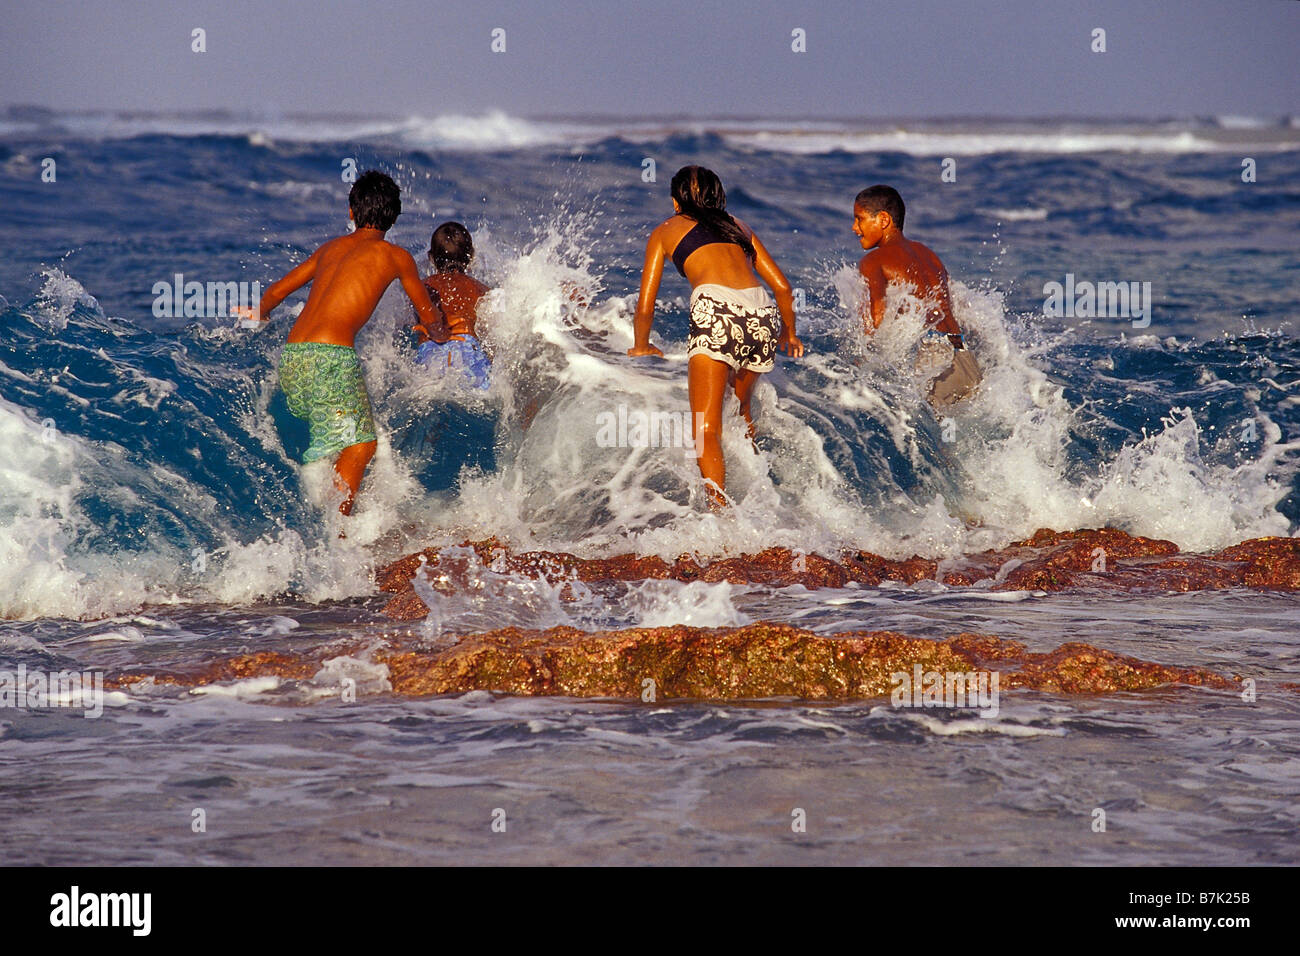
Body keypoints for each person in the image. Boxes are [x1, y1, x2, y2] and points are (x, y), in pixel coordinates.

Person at [236, 170, 447, 515]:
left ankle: (318, 513)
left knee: (331, 443)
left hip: (294, 356)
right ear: (394, 217)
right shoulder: (397, 257)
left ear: (351, 212)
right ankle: (337, 532)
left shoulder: (330, 248)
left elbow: (276, 291)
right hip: (329, 357)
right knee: (361, 446)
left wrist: (259, 314)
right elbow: (427, 314)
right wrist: (439, 333)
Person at [627, 165, 803, 506]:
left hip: (716, 307)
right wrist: (789, 333)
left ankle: (719, 515)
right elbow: (782, 286)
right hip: (762, 313)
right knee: (741, 412)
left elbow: (646, 306)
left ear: (676, 202)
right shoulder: (738, 226)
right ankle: (761, 499)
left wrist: (641, 344)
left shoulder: (666, 230)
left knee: (705, 427)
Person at [852, 184, 981, 407]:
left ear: (883, 220)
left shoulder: (874, 261)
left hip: (934, 361)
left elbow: (875, 318)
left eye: (859, 219)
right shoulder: (928, 254)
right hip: (964, 358)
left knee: (919, 435)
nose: (854, 228)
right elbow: (954, 307)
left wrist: (860, 361)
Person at [415, 221, 491, 390]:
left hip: (430, 348)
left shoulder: (421, 288)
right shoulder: (480, 289)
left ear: (431, 258)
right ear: (471, 256)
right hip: (467, 347)